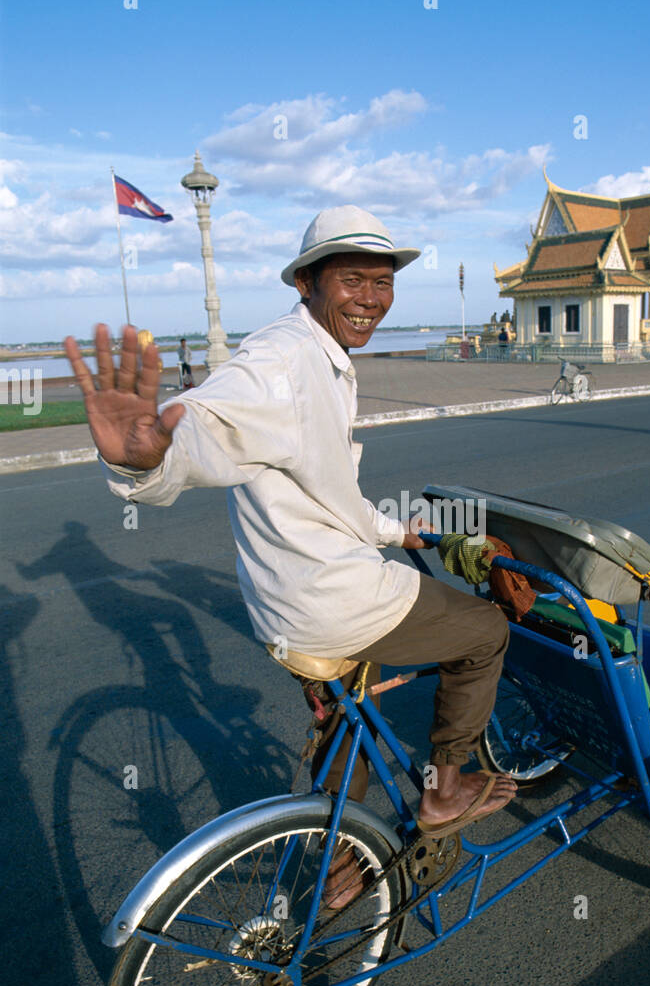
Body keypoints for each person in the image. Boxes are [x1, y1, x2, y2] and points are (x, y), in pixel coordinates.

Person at [65, 205, 517, 907]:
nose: (370, 298)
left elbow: (325, 490)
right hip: (330, 600)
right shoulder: (282, 360)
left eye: (382, 282)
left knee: (348, 711)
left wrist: (400, 533)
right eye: (352, 281)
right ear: (306, 282)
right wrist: (149, 462)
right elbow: (213, 421)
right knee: (485, 632)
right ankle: (444, 788)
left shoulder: (323, 357)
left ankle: (341, 860)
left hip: (280, 612)